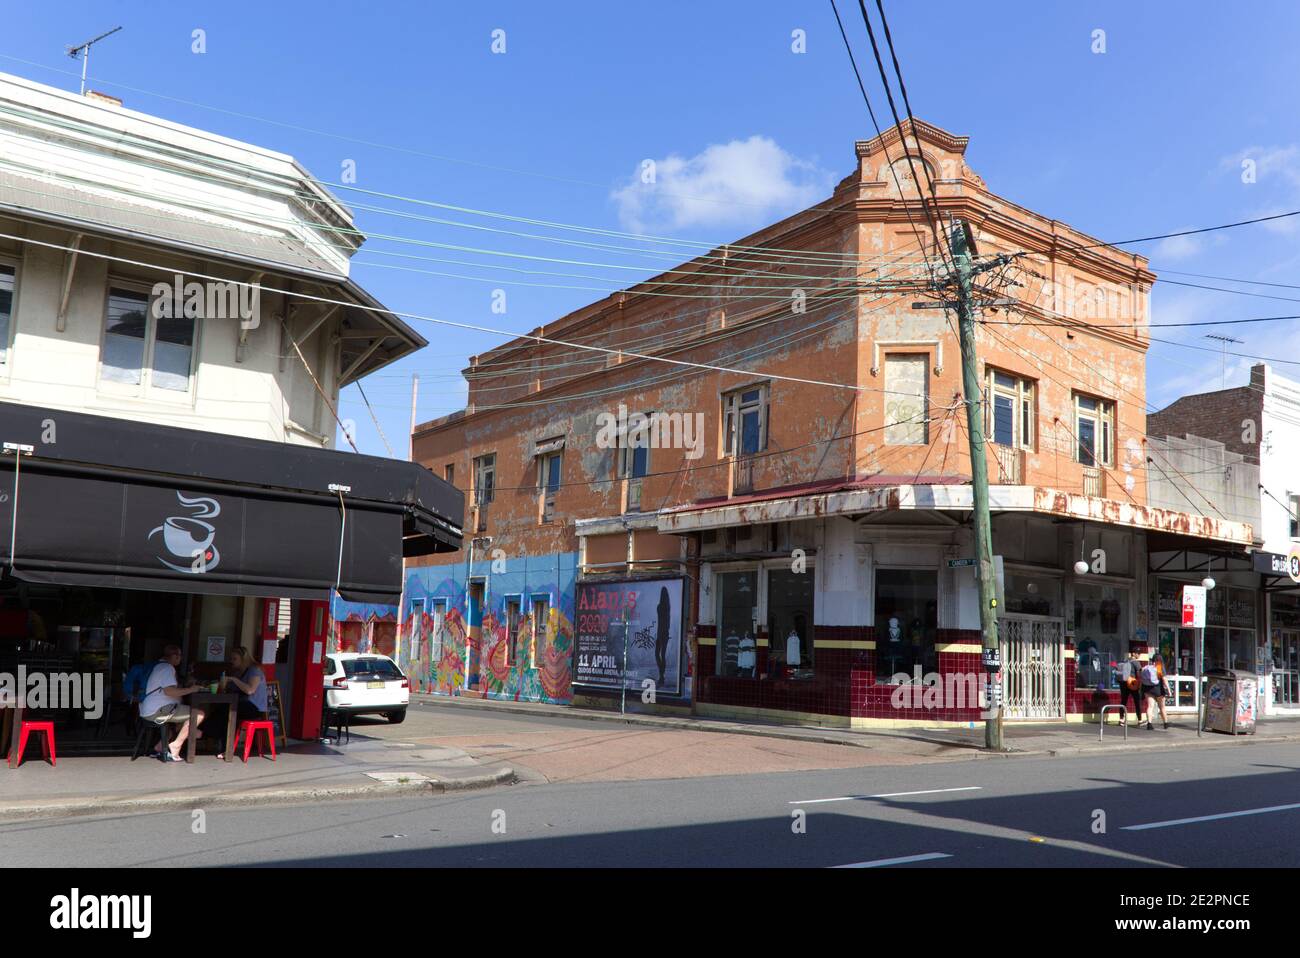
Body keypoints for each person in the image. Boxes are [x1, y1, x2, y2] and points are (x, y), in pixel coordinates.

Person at [138, 645, 206, 761]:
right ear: (174, 656)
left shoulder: (159, 666)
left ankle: (160, 746)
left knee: (181, 722)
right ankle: (176, 745)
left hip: (147, 709)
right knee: (199, 714)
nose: (181, 658)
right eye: (180, 656)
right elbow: (169, 691)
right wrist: (191, 689)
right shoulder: (167, 668)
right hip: (157, 711)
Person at [214, 646, 268, 759]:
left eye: (234, 659)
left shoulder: (254, 670)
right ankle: (218, 742)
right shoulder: (239, 672)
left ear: (243, 659)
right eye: (231, 658)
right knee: (222, 708)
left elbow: (250, 690)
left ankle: (225, 747)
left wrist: (234, 680)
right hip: (243, 704)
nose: (231, 661)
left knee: (226, 711)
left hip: (254, 707)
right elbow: (232, 688)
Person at [1140, 657, 1166, 731]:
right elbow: (1164, 679)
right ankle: (1166, 723)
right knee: (1162, 707)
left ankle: (1149, 724)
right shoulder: (1159, 667)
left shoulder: (1146, 667)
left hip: (1148, 689)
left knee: (1150, 706)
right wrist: (1169, 690)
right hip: (1158, 689)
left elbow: (1140, 673)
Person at [1119, 651, 1145, 723]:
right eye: (1138, 653)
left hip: (1123, 683)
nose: (1139, 655)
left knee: (1123, 701)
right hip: (1132, 683)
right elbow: (1140, 672)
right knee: (1137, 701)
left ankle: (1121, 719)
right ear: (1133, 653)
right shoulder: (1135, 662)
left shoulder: (1125, 660)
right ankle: (1140, 720)